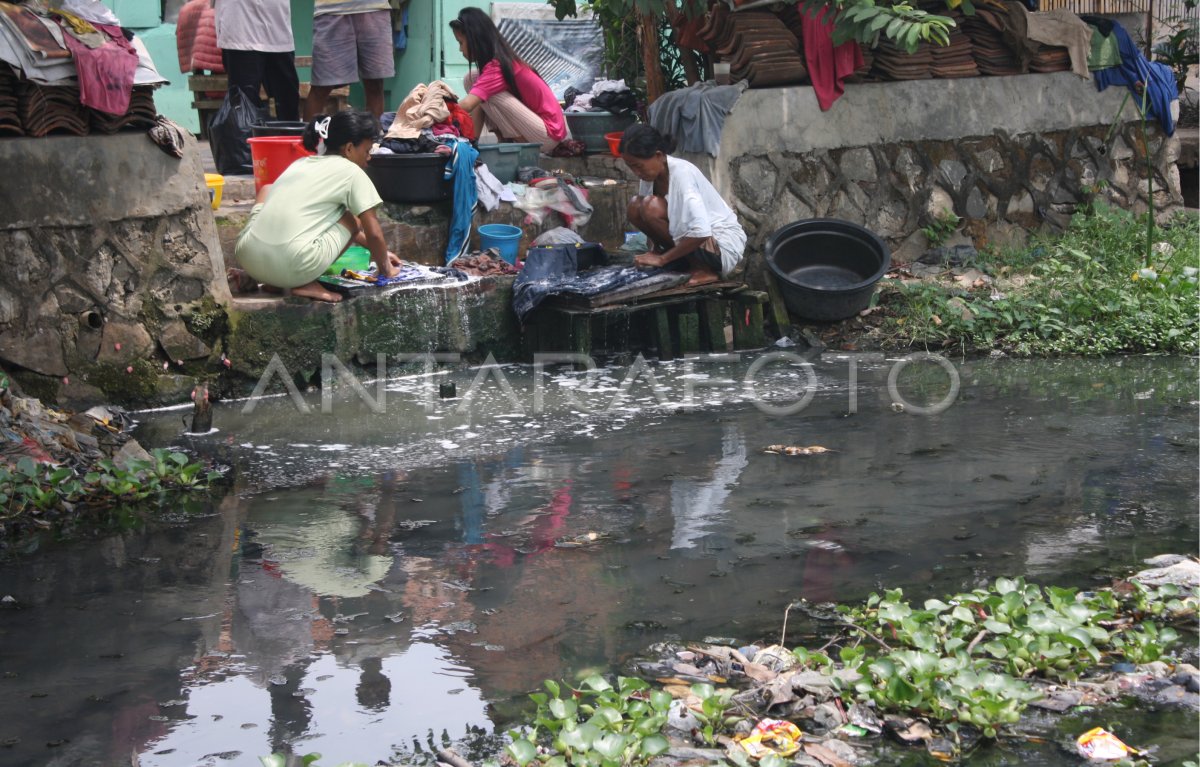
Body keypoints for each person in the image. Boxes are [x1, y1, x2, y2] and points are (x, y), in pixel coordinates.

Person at [233, 110, 400, 303]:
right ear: (348, 148)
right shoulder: (352, 172)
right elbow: (373, 233)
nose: (368, 157)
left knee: (268, 189)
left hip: (248, 257)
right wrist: (386, 268)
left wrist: (378, 251)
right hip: (294, 266)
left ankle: (274, 282)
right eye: (367, 151)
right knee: (353, 219)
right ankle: (306, 283)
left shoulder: (300, 163)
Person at [619, 124, 746, 287]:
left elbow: (701, 231)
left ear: (658, 155)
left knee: (650, 205)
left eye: (638, 166)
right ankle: (678, 260)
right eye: (631, 167)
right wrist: (654, 251)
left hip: (720, 247)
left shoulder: (682, 174)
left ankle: (703, 269)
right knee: (635, 206)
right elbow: (648, 220)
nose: (636, 172)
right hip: (693, 242)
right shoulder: (650, 176)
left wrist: (662, 259)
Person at [449, 7, 566, 153]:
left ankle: (515, 142)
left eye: (460, 42)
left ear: (474, 40)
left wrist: (433, 115)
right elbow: (475, 105)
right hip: (536, 126)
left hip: (548, 134)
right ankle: (479, 142)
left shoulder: (498, 67)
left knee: (485, 91)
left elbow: (467, 105)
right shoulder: (497, 64)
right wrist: (471, 141)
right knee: (472, 78)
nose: (460, 49)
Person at [305, 0, 394, 120]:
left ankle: (373, 137)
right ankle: (308, 138)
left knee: (375, 85)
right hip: (331, 10)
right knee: (321, 88)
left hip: (375, 8)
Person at [213, 0, 300, 121]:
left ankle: (290, 138)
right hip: (240, 30)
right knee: (243, 106)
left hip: (277, 29)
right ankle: (245, 140)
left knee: (288, 102)